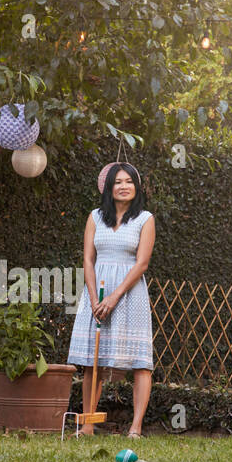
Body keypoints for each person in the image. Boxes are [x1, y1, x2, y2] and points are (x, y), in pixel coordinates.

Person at [67, 162, 155, 437]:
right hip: (97, 293)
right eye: (118, 182)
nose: (124, 186)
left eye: (129, 181)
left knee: (140, 363)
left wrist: (113, 298)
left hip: (130, 295)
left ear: (136, 187)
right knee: (93, 361)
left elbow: (141, 264)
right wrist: (94, 299)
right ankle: (88, 425)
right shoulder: (95, 217)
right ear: (109, 187)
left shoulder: (145, 219)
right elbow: (88, 259)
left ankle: (136, 427)